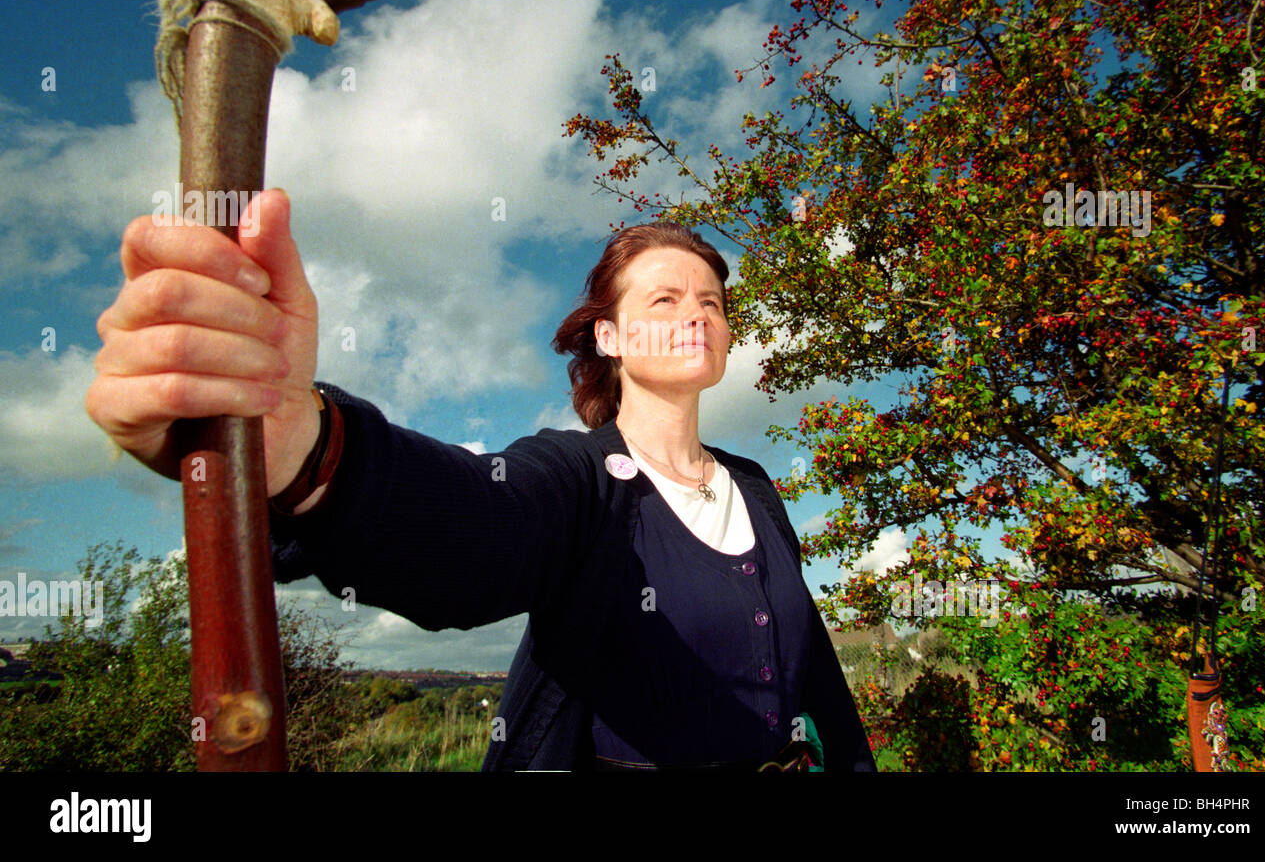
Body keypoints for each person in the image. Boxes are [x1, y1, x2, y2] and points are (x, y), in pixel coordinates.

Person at [85, 189, 877, 771]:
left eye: (711, 300)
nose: (696, 312)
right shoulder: (576, 477)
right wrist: (305, 443)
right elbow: (474, 524)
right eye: (665, 297)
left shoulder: (758, 488)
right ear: (610, 335)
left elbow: (818, 688)